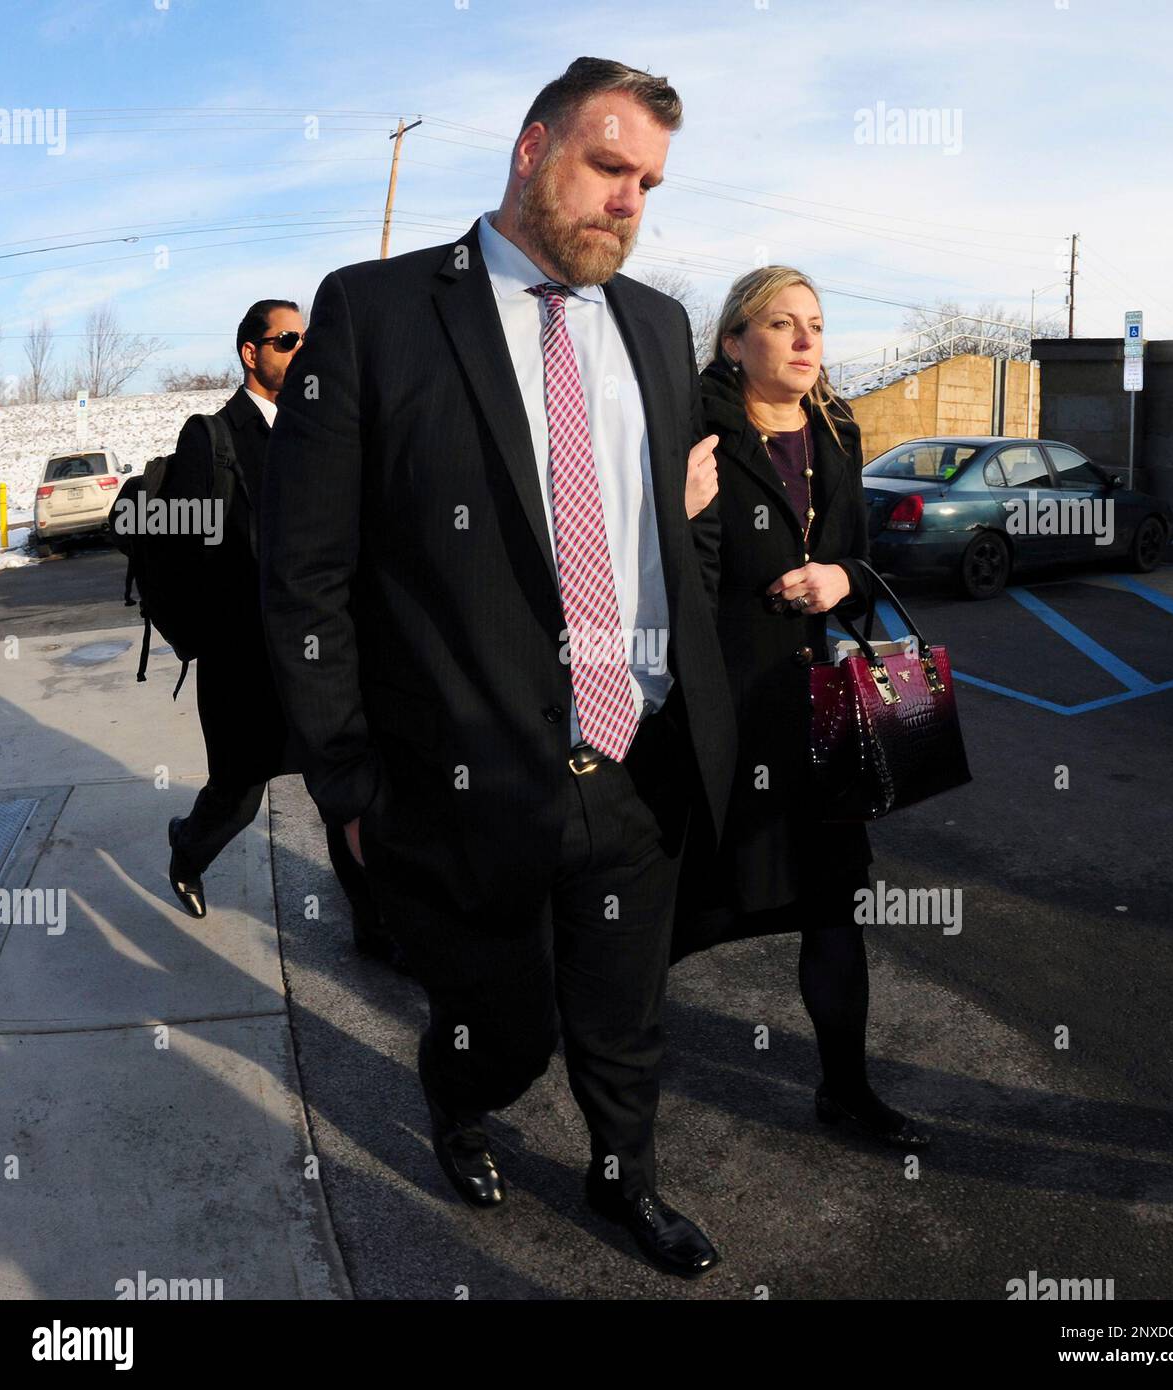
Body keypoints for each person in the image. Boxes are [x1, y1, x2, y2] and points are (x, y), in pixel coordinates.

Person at [259, 58, 736, 1278]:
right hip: (459, 783)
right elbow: (304, 572)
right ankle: (462, 1104)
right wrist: (349, 783)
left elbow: (649, 539)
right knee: (500, 1027)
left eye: (651, 183)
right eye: (608, 167)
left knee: (626, 1021)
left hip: (635, 763)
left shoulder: (658, 325)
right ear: (531, 150)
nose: (631, 201)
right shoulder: (377, 312)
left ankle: (625, 1175)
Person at [676, 266, 930, 1148]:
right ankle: (579, 1053)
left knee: (831, 907)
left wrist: (840, 579)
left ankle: (846, 1091)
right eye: (779, 323)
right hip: (718, 716)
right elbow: (654, 571)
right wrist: (676, 515)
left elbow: (863, 562)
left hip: (822, 717)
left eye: (814, 323)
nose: (803, 339)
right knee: (680, 912)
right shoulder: (695, 428)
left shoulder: (837, 426)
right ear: (734, 341)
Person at [165, 300, 381, 961]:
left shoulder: (324, 425)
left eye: (307, 339)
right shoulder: (211, 437)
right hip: (246, 666)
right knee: (236, 799)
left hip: (320, 661)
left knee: (344, 797)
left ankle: (377, 931)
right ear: (251, 354)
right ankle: (186, 852)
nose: (302, 350)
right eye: (287, 340)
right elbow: (189, 557)